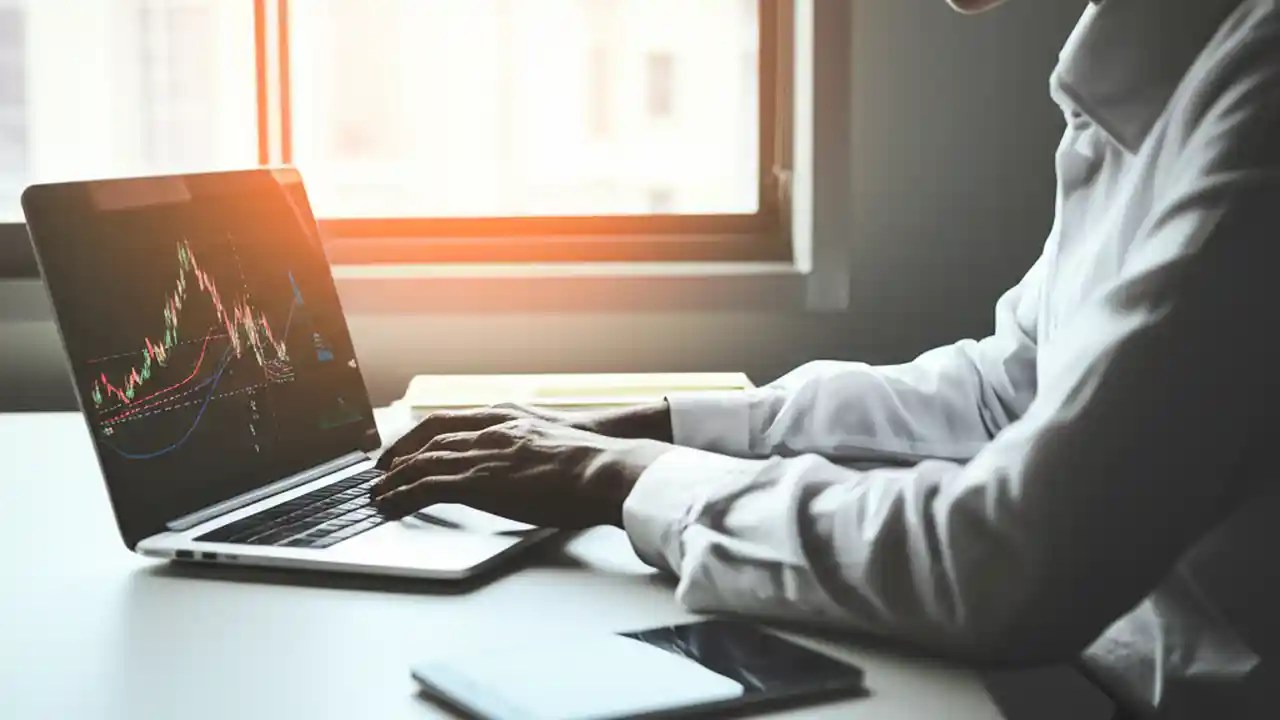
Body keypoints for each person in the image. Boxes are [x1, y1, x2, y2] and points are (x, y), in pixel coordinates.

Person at [372, 0, 1280, 716]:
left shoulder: (1259, 88)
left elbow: (1010, 559)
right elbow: (1011, 393)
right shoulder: (1152, 75)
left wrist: (624, 477)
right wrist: (674, 427)